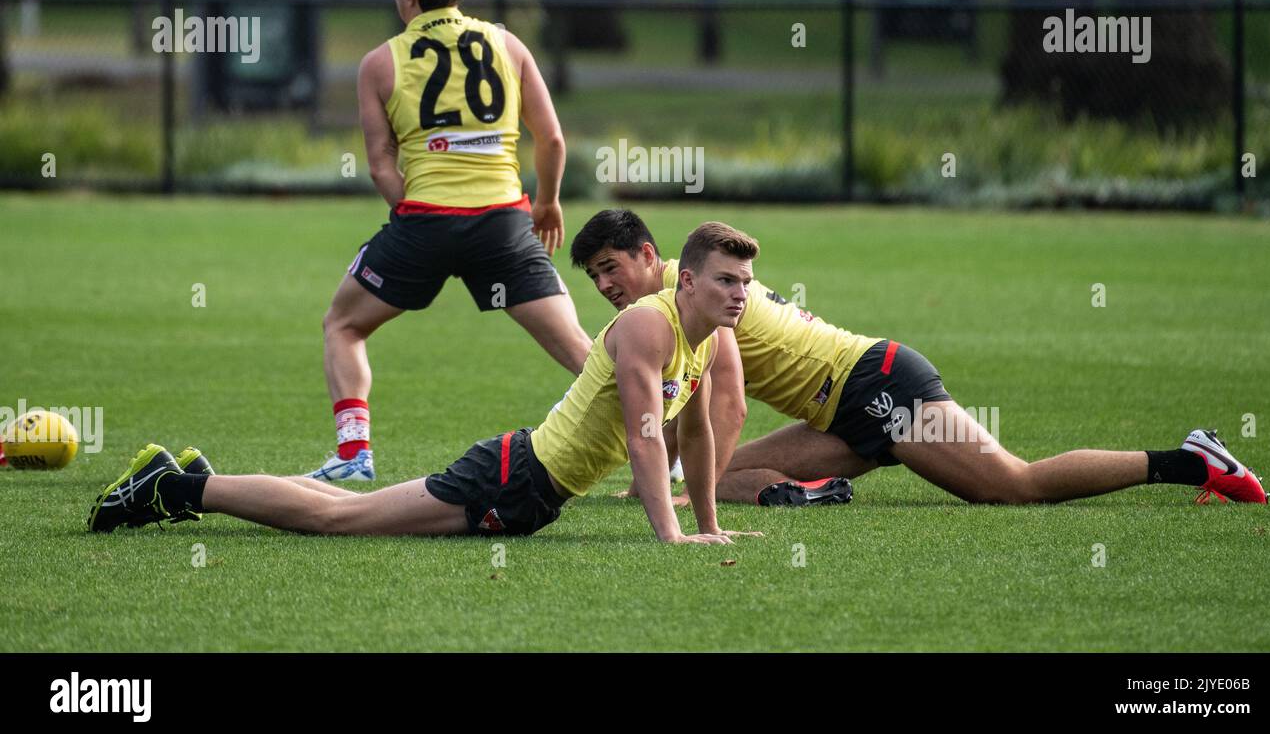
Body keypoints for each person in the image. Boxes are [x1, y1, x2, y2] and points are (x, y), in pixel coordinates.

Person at [87, 224, 768, 545]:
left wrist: (711, 523)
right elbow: (651, 438)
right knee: (339, 518)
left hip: (529, 487)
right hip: (511, 478)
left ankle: (199, 477)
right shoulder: (650, 326)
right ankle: (174, 488)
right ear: (686, 279)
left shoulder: (703, 338)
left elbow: (698, 432)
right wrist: (674, 537)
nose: (739, 293)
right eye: (725, 280)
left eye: (744, 282)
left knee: (339, 502)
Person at [571, 210, 1270, 508]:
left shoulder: (685, 292)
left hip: (877, 383)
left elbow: (725, 402)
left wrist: (669, 487)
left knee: (1012, 485)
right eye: (593, 277)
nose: (605, 286)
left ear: (650, 257)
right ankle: (809, 491)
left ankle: (1188, 460)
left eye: (610, 268)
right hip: (841, 406)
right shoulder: (678, 294)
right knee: (720, 475)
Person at [311, 0, 591, 483]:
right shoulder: (508, 46)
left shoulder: (378, 63)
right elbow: (552, 140)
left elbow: (380, 164)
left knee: (342, 325)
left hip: (425, 224)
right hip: (504, 223)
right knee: (581, 348)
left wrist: (416, 219)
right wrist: (549, 202)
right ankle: (664, 449)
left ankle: (353, 457)